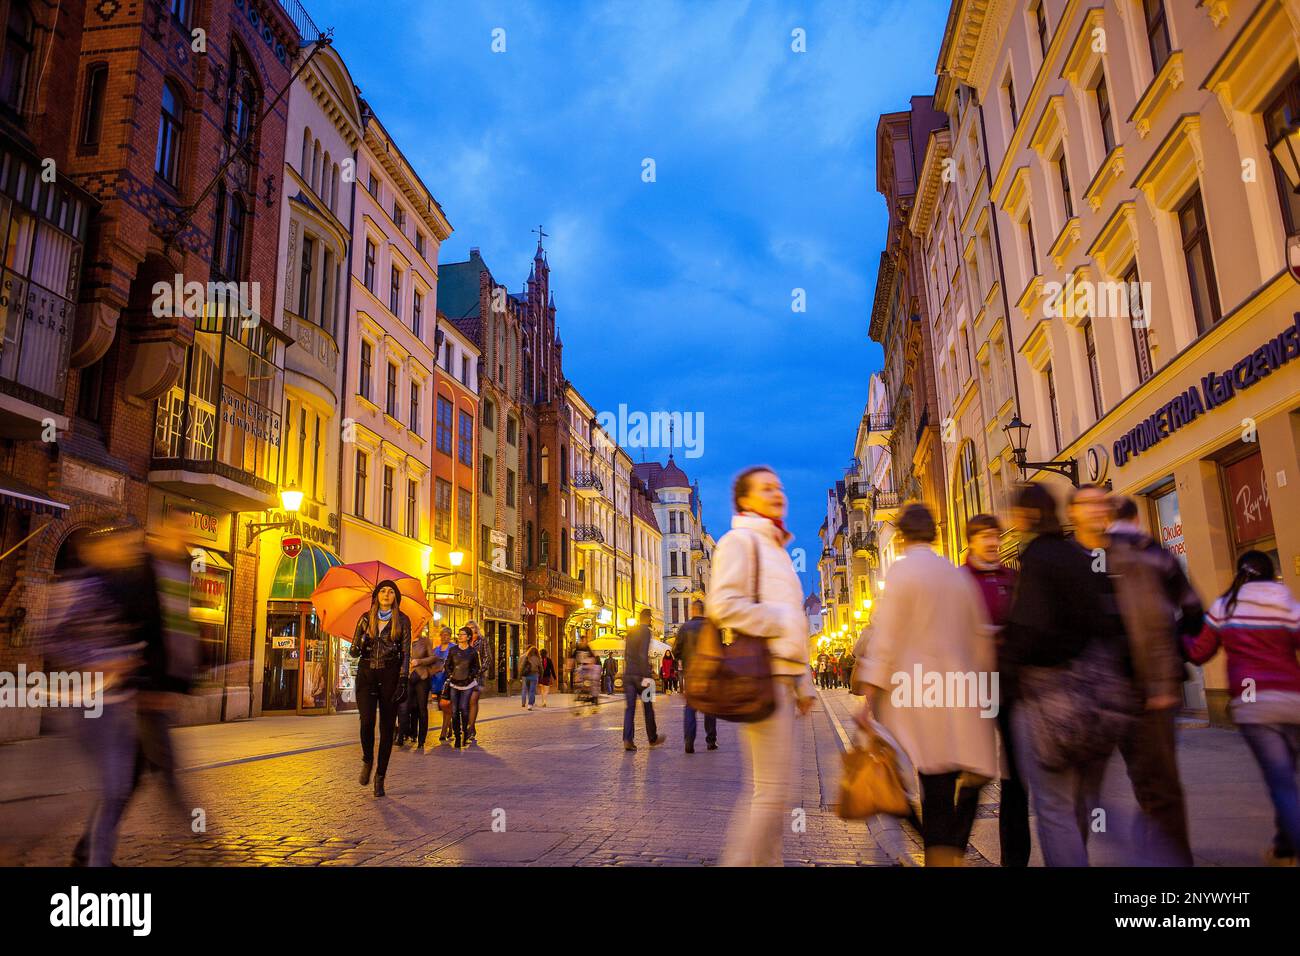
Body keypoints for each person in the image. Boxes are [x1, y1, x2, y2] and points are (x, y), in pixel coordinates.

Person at [856, 503, 996, 867]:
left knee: (928, 779)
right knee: (956, 774)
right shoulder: (955, 574)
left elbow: (885, 638)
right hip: (957, 690)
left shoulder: (902, 574)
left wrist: (869, 695)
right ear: (932, 533)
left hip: (920, 693)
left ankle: (941, 852)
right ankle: (948, 849)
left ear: (901, 537)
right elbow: (979, 635)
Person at [1002, 483, 1134, 866]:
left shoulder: (1038, 559)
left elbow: (1031, 631)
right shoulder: (1079, 557)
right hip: (1098, 702)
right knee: (1085, 803)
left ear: (1026, 516)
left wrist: (1006, 673)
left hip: (1052, 704)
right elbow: (1106, 621)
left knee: (1055, 808)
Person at [708, 466, 815, 866]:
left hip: (782, 676)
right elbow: (724, 606)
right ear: (745, 500)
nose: (778, 493)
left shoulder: (775, 548)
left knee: (772, 792)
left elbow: (795, 624)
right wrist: (780, 621)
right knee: (771, 791)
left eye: (780, 487)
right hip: (762, 676)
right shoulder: (739, 542)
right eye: (766, 488)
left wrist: (804, 682)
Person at [1183, 551, 1300, 866]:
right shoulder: (1285, 601)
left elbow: (1199, 652)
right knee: (1287, 779)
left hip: (1255, 707)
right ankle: (1284, 850)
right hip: (1293, 701)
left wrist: (1180, 635)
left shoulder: (1225, 606)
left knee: (1281, 781)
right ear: (1270, 572)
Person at [1106, 494, 1201, 866]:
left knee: (1142, 781)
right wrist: (1175, 650)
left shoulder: (1097, 559)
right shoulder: (1157, 553)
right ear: (1137, 517)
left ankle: (1152, 851)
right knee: (1161, 784)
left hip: (1111, 685)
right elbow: (1193, 610)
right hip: (1156, 684)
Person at [45, 526, 142, 868]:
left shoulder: (120, 586)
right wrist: (96, 664)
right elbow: (53, 639)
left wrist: (132, 655)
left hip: (118, 703)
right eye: (122, 543)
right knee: (113, 787)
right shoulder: (84, 586)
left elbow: (121, 635)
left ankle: (97, 858)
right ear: (100, 547)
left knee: (117, 788)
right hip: (90, 705)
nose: (129, 549)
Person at [962, 513, 1028, 868]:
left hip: (1013, 683)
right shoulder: (959, 581)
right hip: (976, 687)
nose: (991, 542)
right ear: (971, 540)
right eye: (984, 536)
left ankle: (1015, 859)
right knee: (975, 772)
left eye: (995, 536)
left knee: (1017, 776)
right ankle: (953, 850)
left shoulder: (1011, 578)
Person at [350, 580, 411, 797]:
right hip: (367, 673)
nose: (386, 594)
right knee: (366, 722)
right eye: (383, 591)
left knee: (386, 728)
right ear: (376, 596)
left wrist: (403, 680)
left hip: (390, 675)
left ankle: (380, 776)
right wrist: (362, 643)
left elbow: (406, 653)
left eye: (391, 591)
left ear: (395, 597)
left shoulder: (402, 621)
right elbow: (353, 652)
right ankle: (367, 759)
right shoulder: (365, 619)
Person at [674, 598, 718, 753]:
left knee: (690, 707)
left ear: (692, 610)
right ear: (703, 611)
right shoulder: (710, 627)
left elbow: (676, 650)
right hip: (708, 673)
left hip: (691, 673)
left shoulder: (684, 628)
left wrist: (682, 660)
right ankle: (711, 741)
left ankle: (689, 742)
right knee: (710, 708)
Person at [623, 609, 665, 750]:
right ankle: (652, 738)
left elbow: (626, 655)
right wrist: (647, 674)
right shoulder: (646, 631)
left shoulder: (630, 632)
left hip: (628, 675)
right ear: (648, 618)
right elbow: (642, 654)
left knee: (630, 709)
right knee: (648, 707)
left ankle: (628, 740)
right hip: (641, 677)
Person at [401, 626, 436, 751]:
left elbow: (433, 658)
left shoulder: (425, 641)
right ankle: (409, 732)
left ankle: (421, 739)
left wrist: (419, 661)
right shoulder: (404, 640)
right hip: (408, 677)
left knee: (421, 708)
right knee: (405, 708)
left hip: (422, 677)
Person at [444, 626, 480, 748]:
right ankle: (457, 737)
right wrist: (450, 674)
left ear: (468, 637)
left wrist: (470, 677)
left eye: (462, 634)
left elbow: (476, 667)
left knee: (464, 709)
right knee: (454, 711)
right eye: (459, 634)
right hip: (454, 683)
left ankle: (465, 733)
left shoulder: (472, 652)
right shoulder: (453, 650)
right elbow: (447, 664)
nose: (460, 636)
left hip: (467, 684)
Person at [466, 620, 490, 743]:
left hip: (477, 676)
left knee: (473, 700)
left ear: (476, 629)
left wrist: (479, 670)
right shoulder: (463, 640)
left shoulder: (482, 640)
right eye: (468, 628)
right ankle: (469, 726)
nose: (470, 630)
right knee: (464, 703)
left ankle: (471, 727)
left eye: (472, 627)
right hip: (463, 677)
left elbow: (487, 658)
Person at [430, 627, 452, 743]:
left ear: (450, 636)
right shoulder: (435, 650)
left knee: (446, 707)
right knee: (442, 707)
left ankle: (443, 733)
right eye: (443, 634)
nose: (445, 637)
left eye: (447, 635)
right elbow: (431, 665)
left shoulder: (453, 648)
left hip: (448, 682)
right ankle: (450, 727)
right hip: (437, 683)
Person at [521, 644, 541, 710]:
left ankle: (528, 702)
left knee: (529, 690)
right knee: (532, 691)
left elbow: (523, 666)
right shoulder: (538, 658)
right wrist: (541, 675)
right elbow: (541, 668)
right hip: (534, 675)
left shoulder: (527, 657)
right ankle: (530, 704)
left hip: (527, 676)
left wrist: (521, 673)